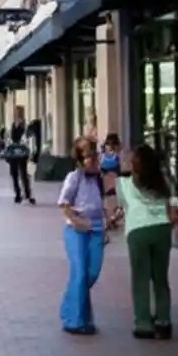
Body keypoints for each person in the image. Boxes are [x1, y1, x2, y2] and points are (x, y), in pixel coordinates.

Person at [112, 144, 178, 340]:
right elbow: (176, 204)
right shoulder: (165, 181)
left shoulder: (124, 184)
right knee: (161, 277)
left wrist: (112, 221)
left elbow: (121, 208)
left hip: (138, 231)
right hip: (162, 229)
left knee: (140, 278)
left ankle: (143, 323)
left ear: (135, 165)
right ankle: (163, 321)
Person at [58, 137, 106, 336]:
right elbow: (64, 203)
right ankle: (75, 320)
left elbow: (101, 203)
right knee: (80, 272)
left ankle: (70, 307)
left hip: (96, 229)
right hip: (76, 230)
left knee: (91, 272)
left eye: (95, 155)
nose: (94, 159)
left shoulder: (98, 179)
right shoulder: (74, 177)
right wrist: (75, 220)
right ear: (79, 159)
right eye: (88, 156)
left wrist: (109, 218)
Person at [4, 123, 35, 205]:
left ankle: (18, 195)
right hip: (22, 158)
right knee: (24, 176)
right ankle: (27, 194)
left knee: (15, 177)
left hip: (13, 159)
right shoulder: (23, 143)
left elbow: (6, 154)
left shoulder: (10, 144)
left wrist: (8, 159)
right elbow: (28, 151)